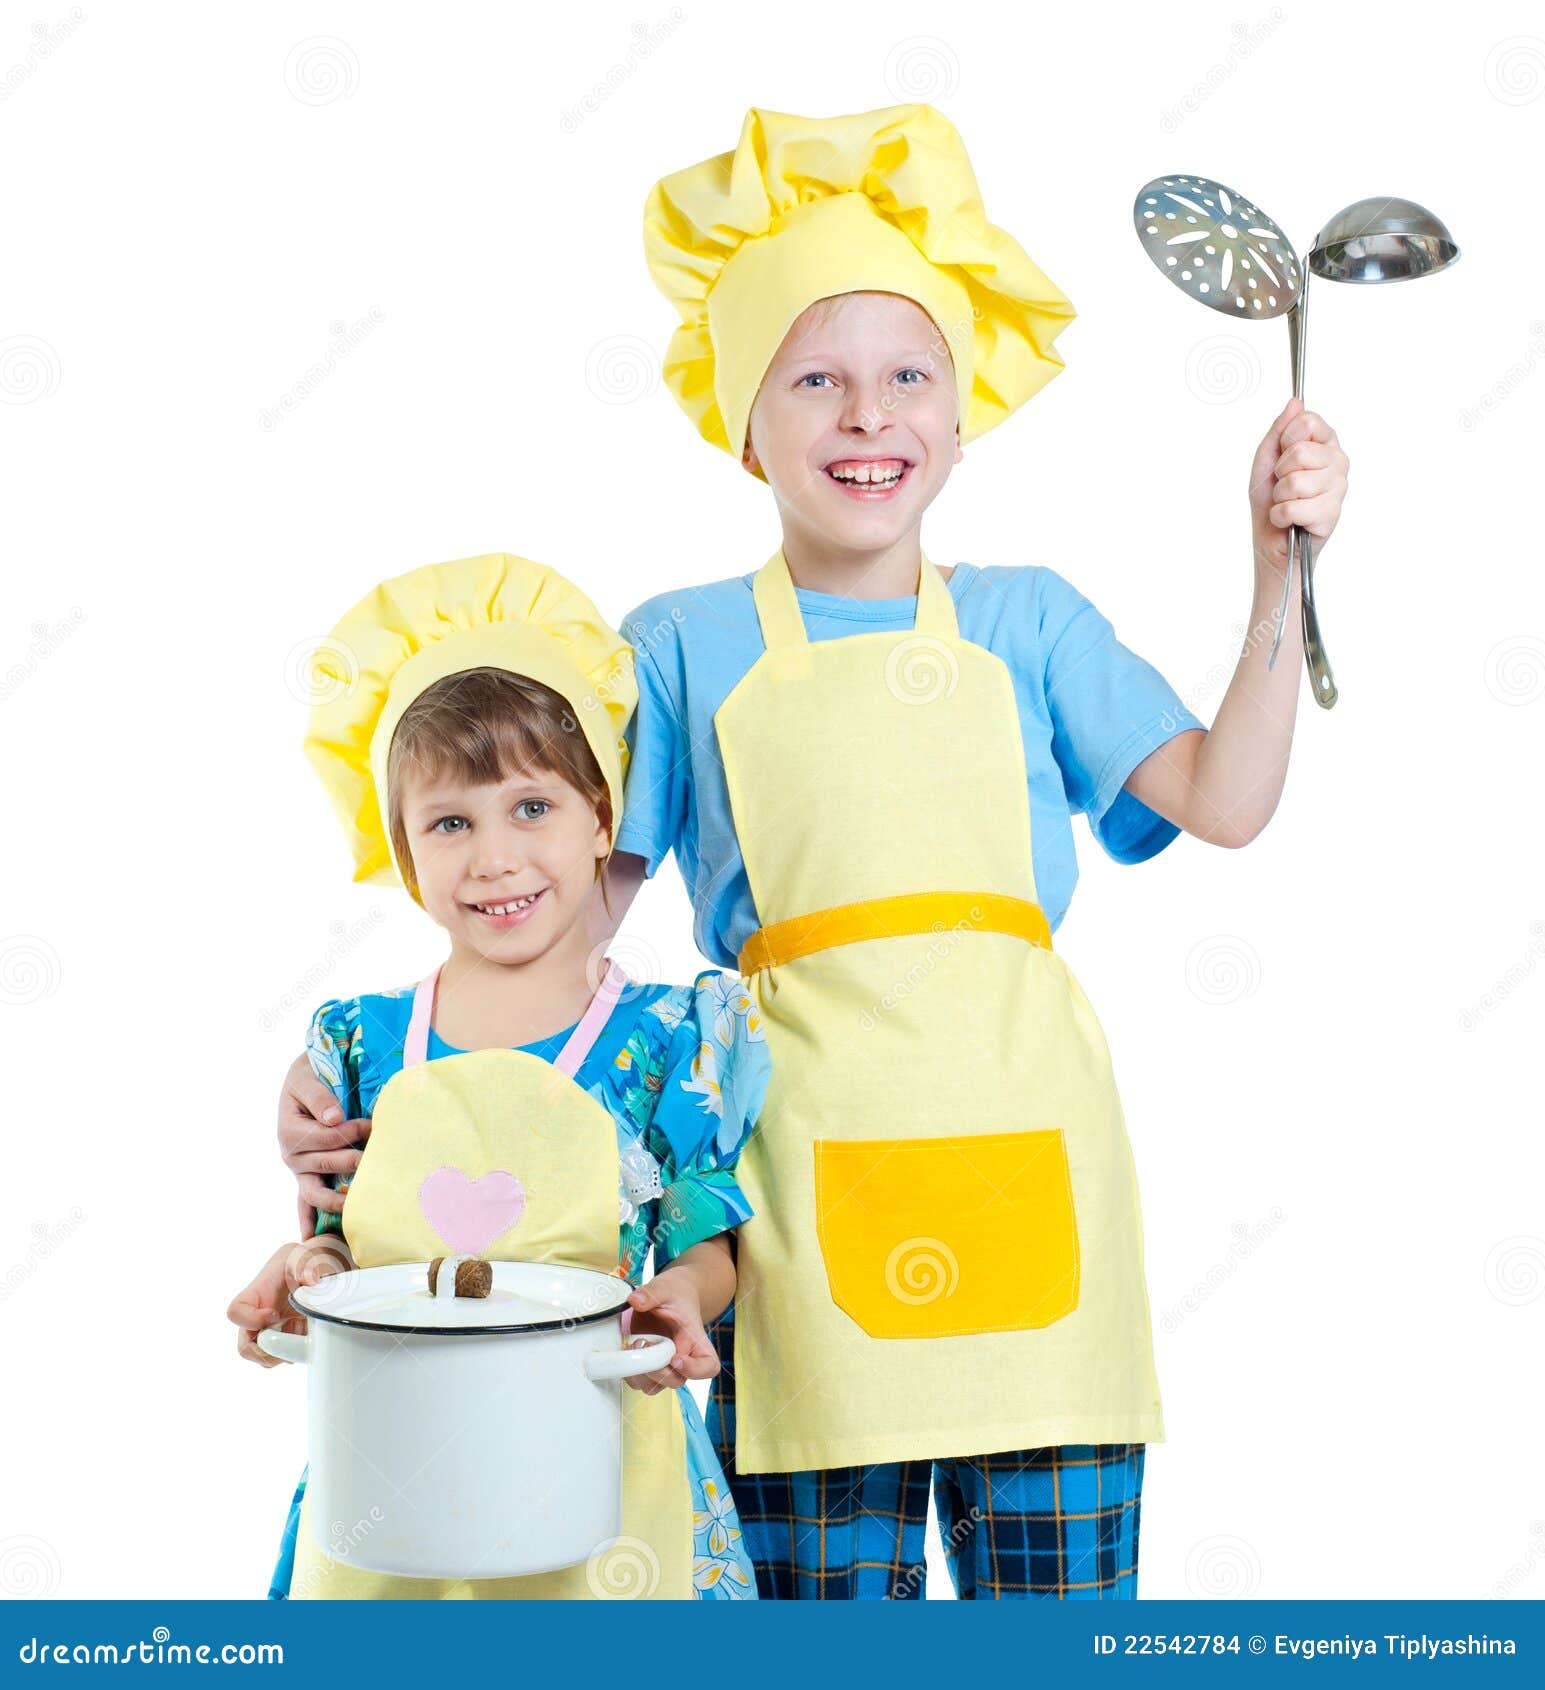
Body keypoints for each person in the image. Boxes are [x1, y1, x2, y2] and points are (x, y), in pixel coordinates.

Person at [228, 553, 766, 1599]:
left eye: (531, 808)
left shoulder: (672, 1037)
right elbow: (341, 1241)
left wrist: (682, 1299)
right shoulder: (360, 1043)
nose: (493, 857)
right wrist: (303, 1276)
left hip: (611, 1473)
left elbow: (706, 1237)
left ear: (602, 817)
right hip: (394, 1474)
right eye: (450, 822)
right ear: (402, 850)